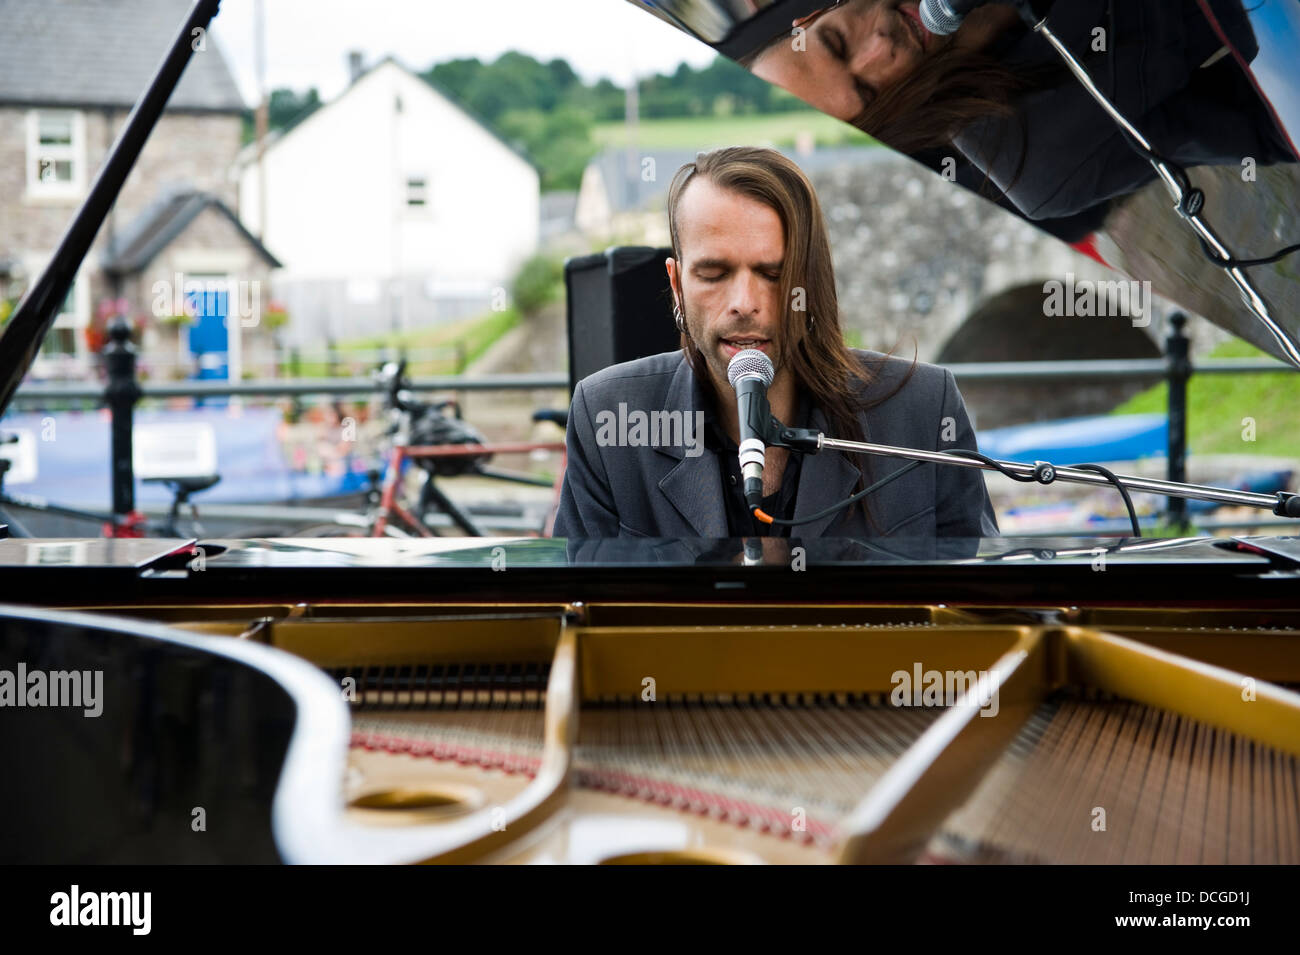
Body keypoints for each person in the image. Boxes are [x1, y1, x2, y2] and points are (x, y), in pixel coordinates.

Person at [551, 146, 999, 540]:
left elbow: (981, 610)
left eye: (773, 275)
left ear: (812, 282)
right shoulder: (609, 414)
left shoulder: (923, 407)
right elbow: (580, 611)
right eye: (713, 274)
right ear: (676, 284)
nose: (745, 304)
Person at [744, 0, 1296, 222]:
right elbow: (1263, 124)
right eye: (871, 94)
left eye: (838, 42)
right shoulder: (1038, 159)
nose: (882, 47)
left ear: (813, 14)